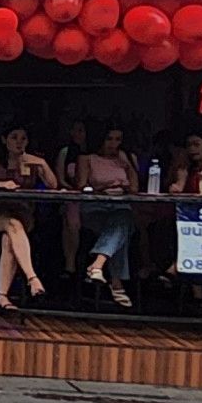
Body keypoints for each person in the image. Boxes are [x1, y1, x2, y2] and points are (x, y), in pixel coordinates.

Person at [0, 121, 57, 309]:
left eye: (23, 138)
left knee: (10, 237)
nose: (19, 142)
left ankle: (2, 296)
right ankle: (32, 278)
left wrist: (42, 163)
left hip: (20, 211)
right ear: (4, 140)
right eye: (14, 138)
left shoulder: (32, 160)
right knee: (13, 226)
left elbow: (52, 185)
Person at [77, 122, 140, 308]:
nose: (114, 144)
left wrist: (128, 167)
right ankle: (117, 283)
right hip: (96, 207)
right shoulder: (87, 158)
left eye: (118, 140)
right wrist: (104, 187)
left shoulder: (125, 158)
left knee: (123, 220)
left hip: (120, 206)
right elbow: (81, 186)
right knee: (122, 228)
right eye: (109, 139)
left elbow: (135, 189)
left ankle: (97, 265)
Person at [55, 116, 91, 277]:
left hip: (92, 198)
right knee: (70, 217)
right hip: (71, 195)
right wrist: (72, 189)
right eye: (74, 130)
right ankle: (70, 263)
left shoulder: (92, 153)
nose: (78, 134)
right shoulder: (65, 152)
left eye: (81, 130)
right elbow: (60, 179)